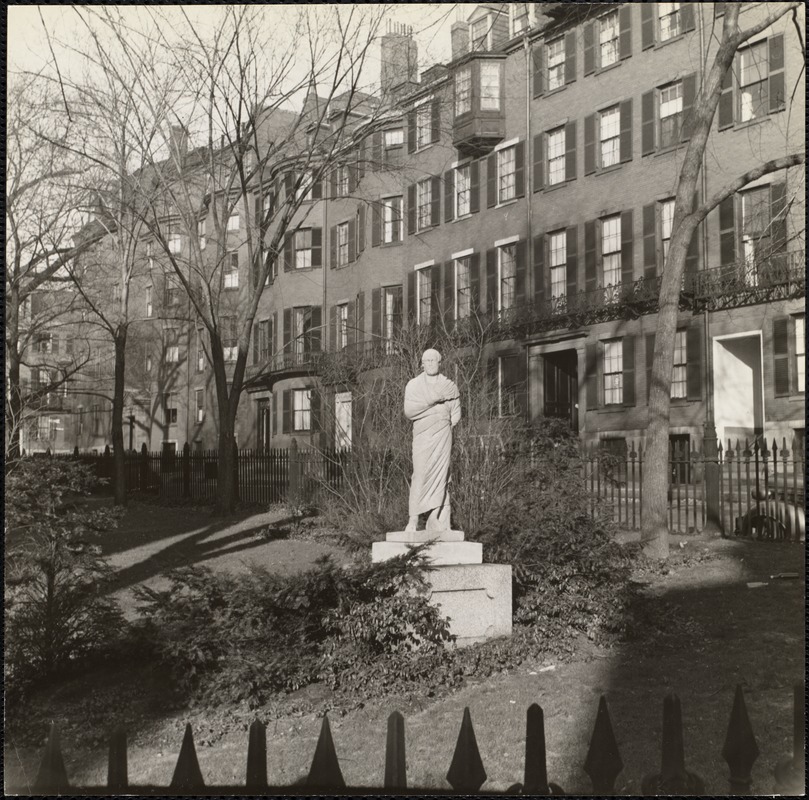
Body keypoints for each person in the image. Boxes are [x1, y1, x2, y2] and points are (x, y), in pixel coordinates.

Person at [403, 349, 461, 532]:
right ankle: (413, 520)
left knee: (441, 475)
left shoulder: (449, 386)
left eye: (433, 360)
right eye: (426, 361)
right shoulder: (414, 385)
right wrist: (433, 402)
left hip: (443, 435)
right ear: (422, 364)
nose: (429, 363)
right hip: (422, 436)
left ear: (439, 362)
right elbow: (410, 411)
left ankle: (436, 519)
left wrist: (440, 422)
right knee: (419, 474)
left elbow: (456, 414)